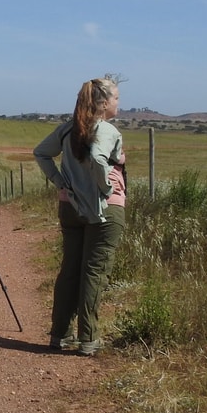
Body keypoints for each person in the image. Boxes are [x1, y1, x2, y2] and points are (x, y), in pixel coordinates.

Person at [33, 76, 126, 356]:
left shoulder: (67, 129)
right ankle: (89, 338)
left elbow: (41, 153)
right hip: (105, 209)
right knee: (94, 272)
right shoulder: (106, 129)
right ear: (103, 103)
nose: (119, 103)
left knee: (70, 270)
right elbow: (98, 157)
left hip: (70, 207)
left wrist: (60, 182)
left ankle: (60, 334)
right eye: (116, 98)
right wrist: (106, 187)